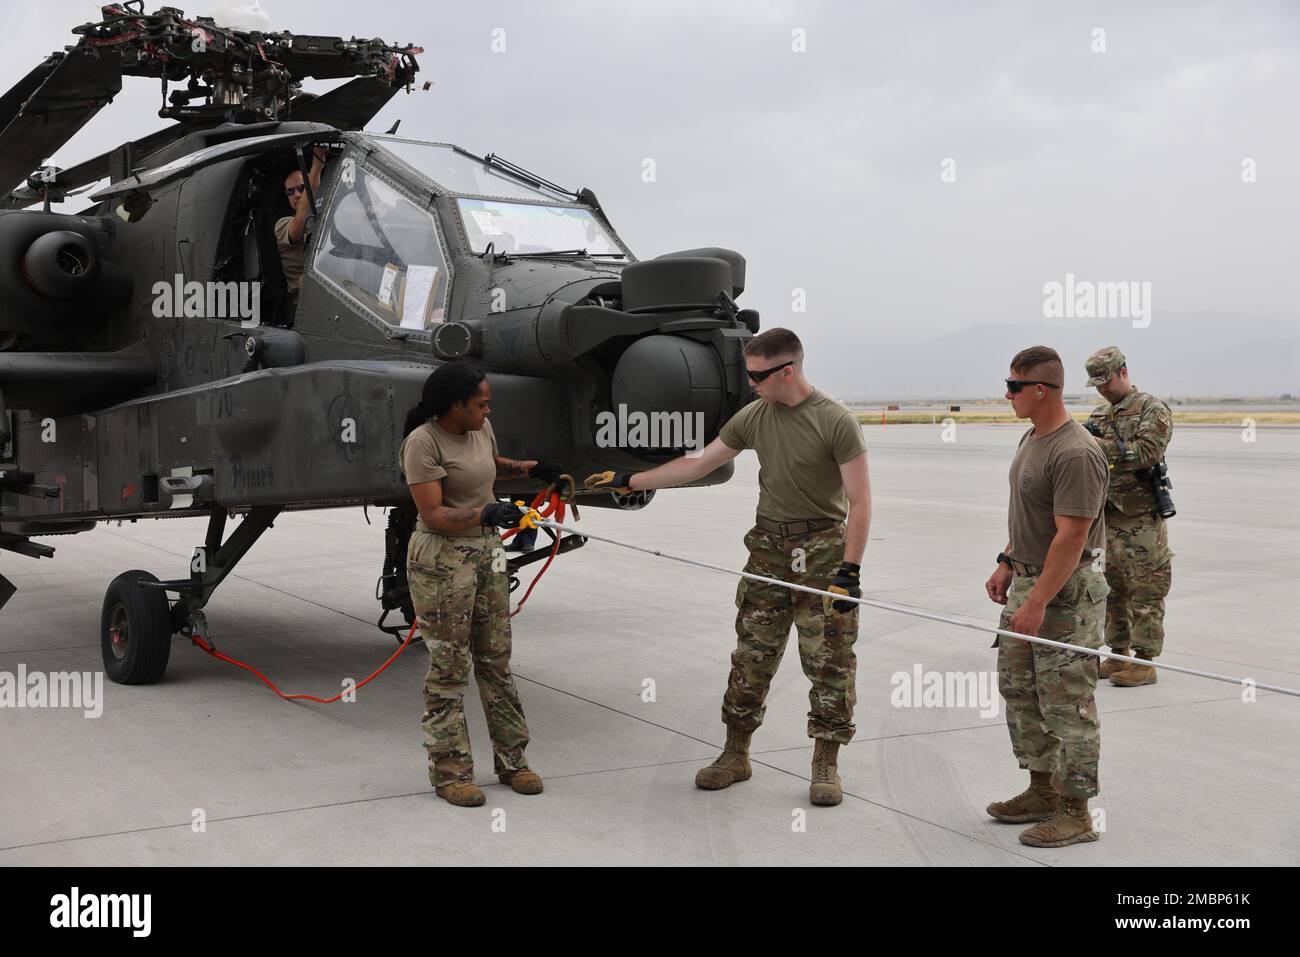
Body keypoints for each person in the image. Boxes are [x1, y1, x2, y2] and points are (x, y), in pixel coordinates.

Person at [586, 327, 871, 806]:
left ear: (788, 370)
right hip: (767, 549)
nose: (751, 382)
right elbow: (699, 463)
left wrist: (850, 572)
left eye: (759, 375)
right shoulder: (755, 416)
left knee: (830, 662)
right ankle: (735, 753)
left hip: (822, 552)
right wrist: (630, 478)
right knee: (751, 658)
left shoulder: (835, 420)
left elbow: (861, 503)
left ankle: (826, 763)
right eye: (748, 373)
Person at [400, 360, 563, 807]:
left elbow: (491, 467)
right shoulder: (422, 443)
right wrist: (483, 513)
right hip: (443, 558)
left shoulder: (479, 431)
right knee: (450, 667)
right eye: (481, 404)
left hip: (486, 553)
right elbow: (434, 514)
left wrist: (534, 470)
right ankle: (451, 772)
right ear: (455, 406)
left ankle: (514, 762)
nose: (488, 411)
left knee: (496, 660)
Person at [984, 345, 1109, 847]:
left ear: (1041, 390)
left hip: (1064, 594)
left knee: (1067, 703)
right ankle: (1041, 790)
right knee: (1020, 690)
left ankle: (1076, 812)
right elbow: (1031, 518)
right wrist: (1007, 561)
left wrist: (1037, 602)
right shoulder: (1032, 437)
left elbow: (1071, 536)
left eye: (1014, 386)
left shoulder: (1075, 451)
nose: (1007, 394)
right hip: (1028, 580)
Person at [1083, 347, 1174, 687]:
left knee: (1146, 587)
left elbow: (1148, 452)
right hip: (1107, 516)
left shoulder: (1152, 409)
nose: (1102, 389)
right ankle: (1117, 653)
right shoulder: (1100, 414)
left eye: (1105, 381)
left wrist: (1099, 445)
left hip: (1140, 517)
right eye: (1096, 384)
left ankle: (1145, 661)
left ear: (1123, 371)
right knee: (1112, 588)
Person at [275, 147, 327, 292]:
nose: (297, 195)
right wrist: (316, 168)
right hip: (299, 301)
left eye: (302, 188)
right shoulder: (282, 224)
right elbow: (297, 231)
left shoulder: (322, 217)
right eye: (290, 191)